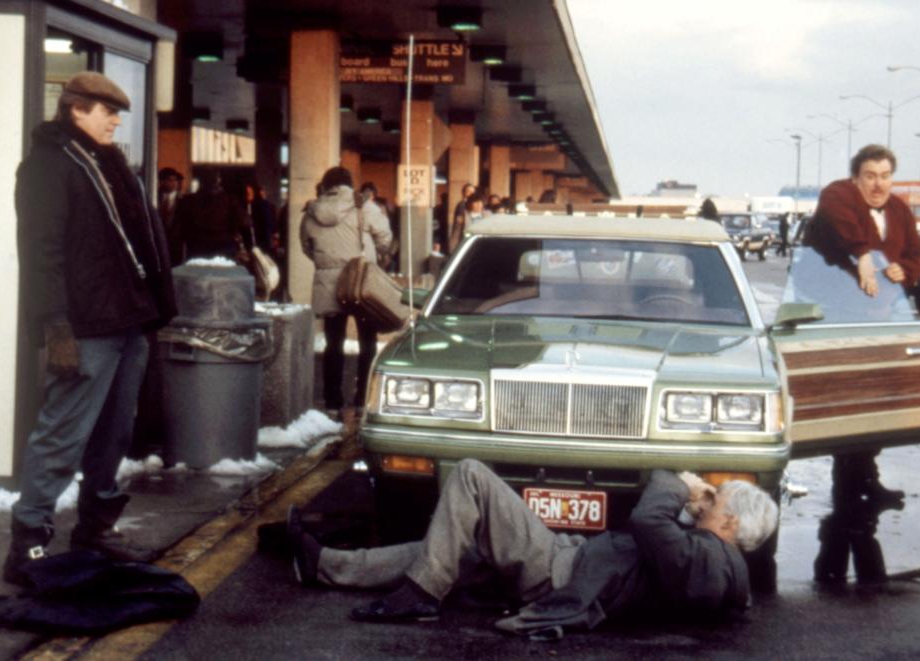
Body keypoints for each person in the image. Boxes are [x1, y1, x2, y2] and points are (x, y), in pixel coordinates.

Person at [7, 71, 176, 585]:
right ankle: (28, 541)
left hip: (128, 319)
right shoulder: (48, 166)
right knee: (62, 432)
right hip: (86, 325)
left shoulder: (107, 163)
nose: (116, 121)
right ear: (76, 109)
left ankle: (96, 528)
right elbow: (41, 254)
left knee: (114, 433)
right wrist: (55, 324)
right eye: (107, 111)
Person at [286, 459, 778, 634]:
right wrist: (699, 504)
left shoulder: (711, 562)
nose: (707, 503)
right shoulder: (714, 565)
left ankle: (421, 595)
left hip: (562, 570)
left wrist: (679, 484)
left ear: (730, 522)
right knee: (452, 548)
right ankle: (324, 564)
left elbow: (649, 521)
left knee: (471, 475)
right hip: (571, 564)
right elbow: (661, 547)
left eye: (717, 502)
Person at [803, 144, 920, 506]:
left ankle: (865, 479)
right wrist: (862, 254)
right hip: (840, 319)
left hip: (881, 320)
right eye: (870, 176)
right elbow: (838, 211)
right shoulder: (839, 197)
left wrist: (907, 270)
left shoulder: (899, 210)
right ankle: (849, 488)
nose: (878, 184)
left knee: (877, 403)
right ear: (855, 178)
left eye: (885, 176)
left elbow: (917, 254)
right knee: (849, 403)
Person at [300, 167, 392, 417]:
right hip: (362, 281)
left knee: (333, 343)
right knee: (367, 341)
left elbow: (306, 246)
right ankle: (362, 399)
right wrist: (376, 254)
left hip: (328, 283)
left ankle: (333, 403)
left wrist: (327, 265)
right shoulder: (363, 205)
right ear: (350, 184)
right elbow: (385, 236)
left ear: (326, 185)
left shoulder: (313, 210)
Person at [175, 167, 248, 259]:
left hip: (197, 245)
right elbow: (244, 222)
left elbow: (180, 227)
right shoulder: (230, 200)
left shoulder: (188, 200)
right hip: (224, 245)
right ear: (218, 180)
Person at [157, 166, 185, 264]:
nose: (174, 183)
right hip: (158, 241)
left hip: (176, 244)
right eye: (170, 180)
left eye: (175, 180)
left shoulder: (184, 200)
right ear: (162, 182)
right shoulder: (153, 196)